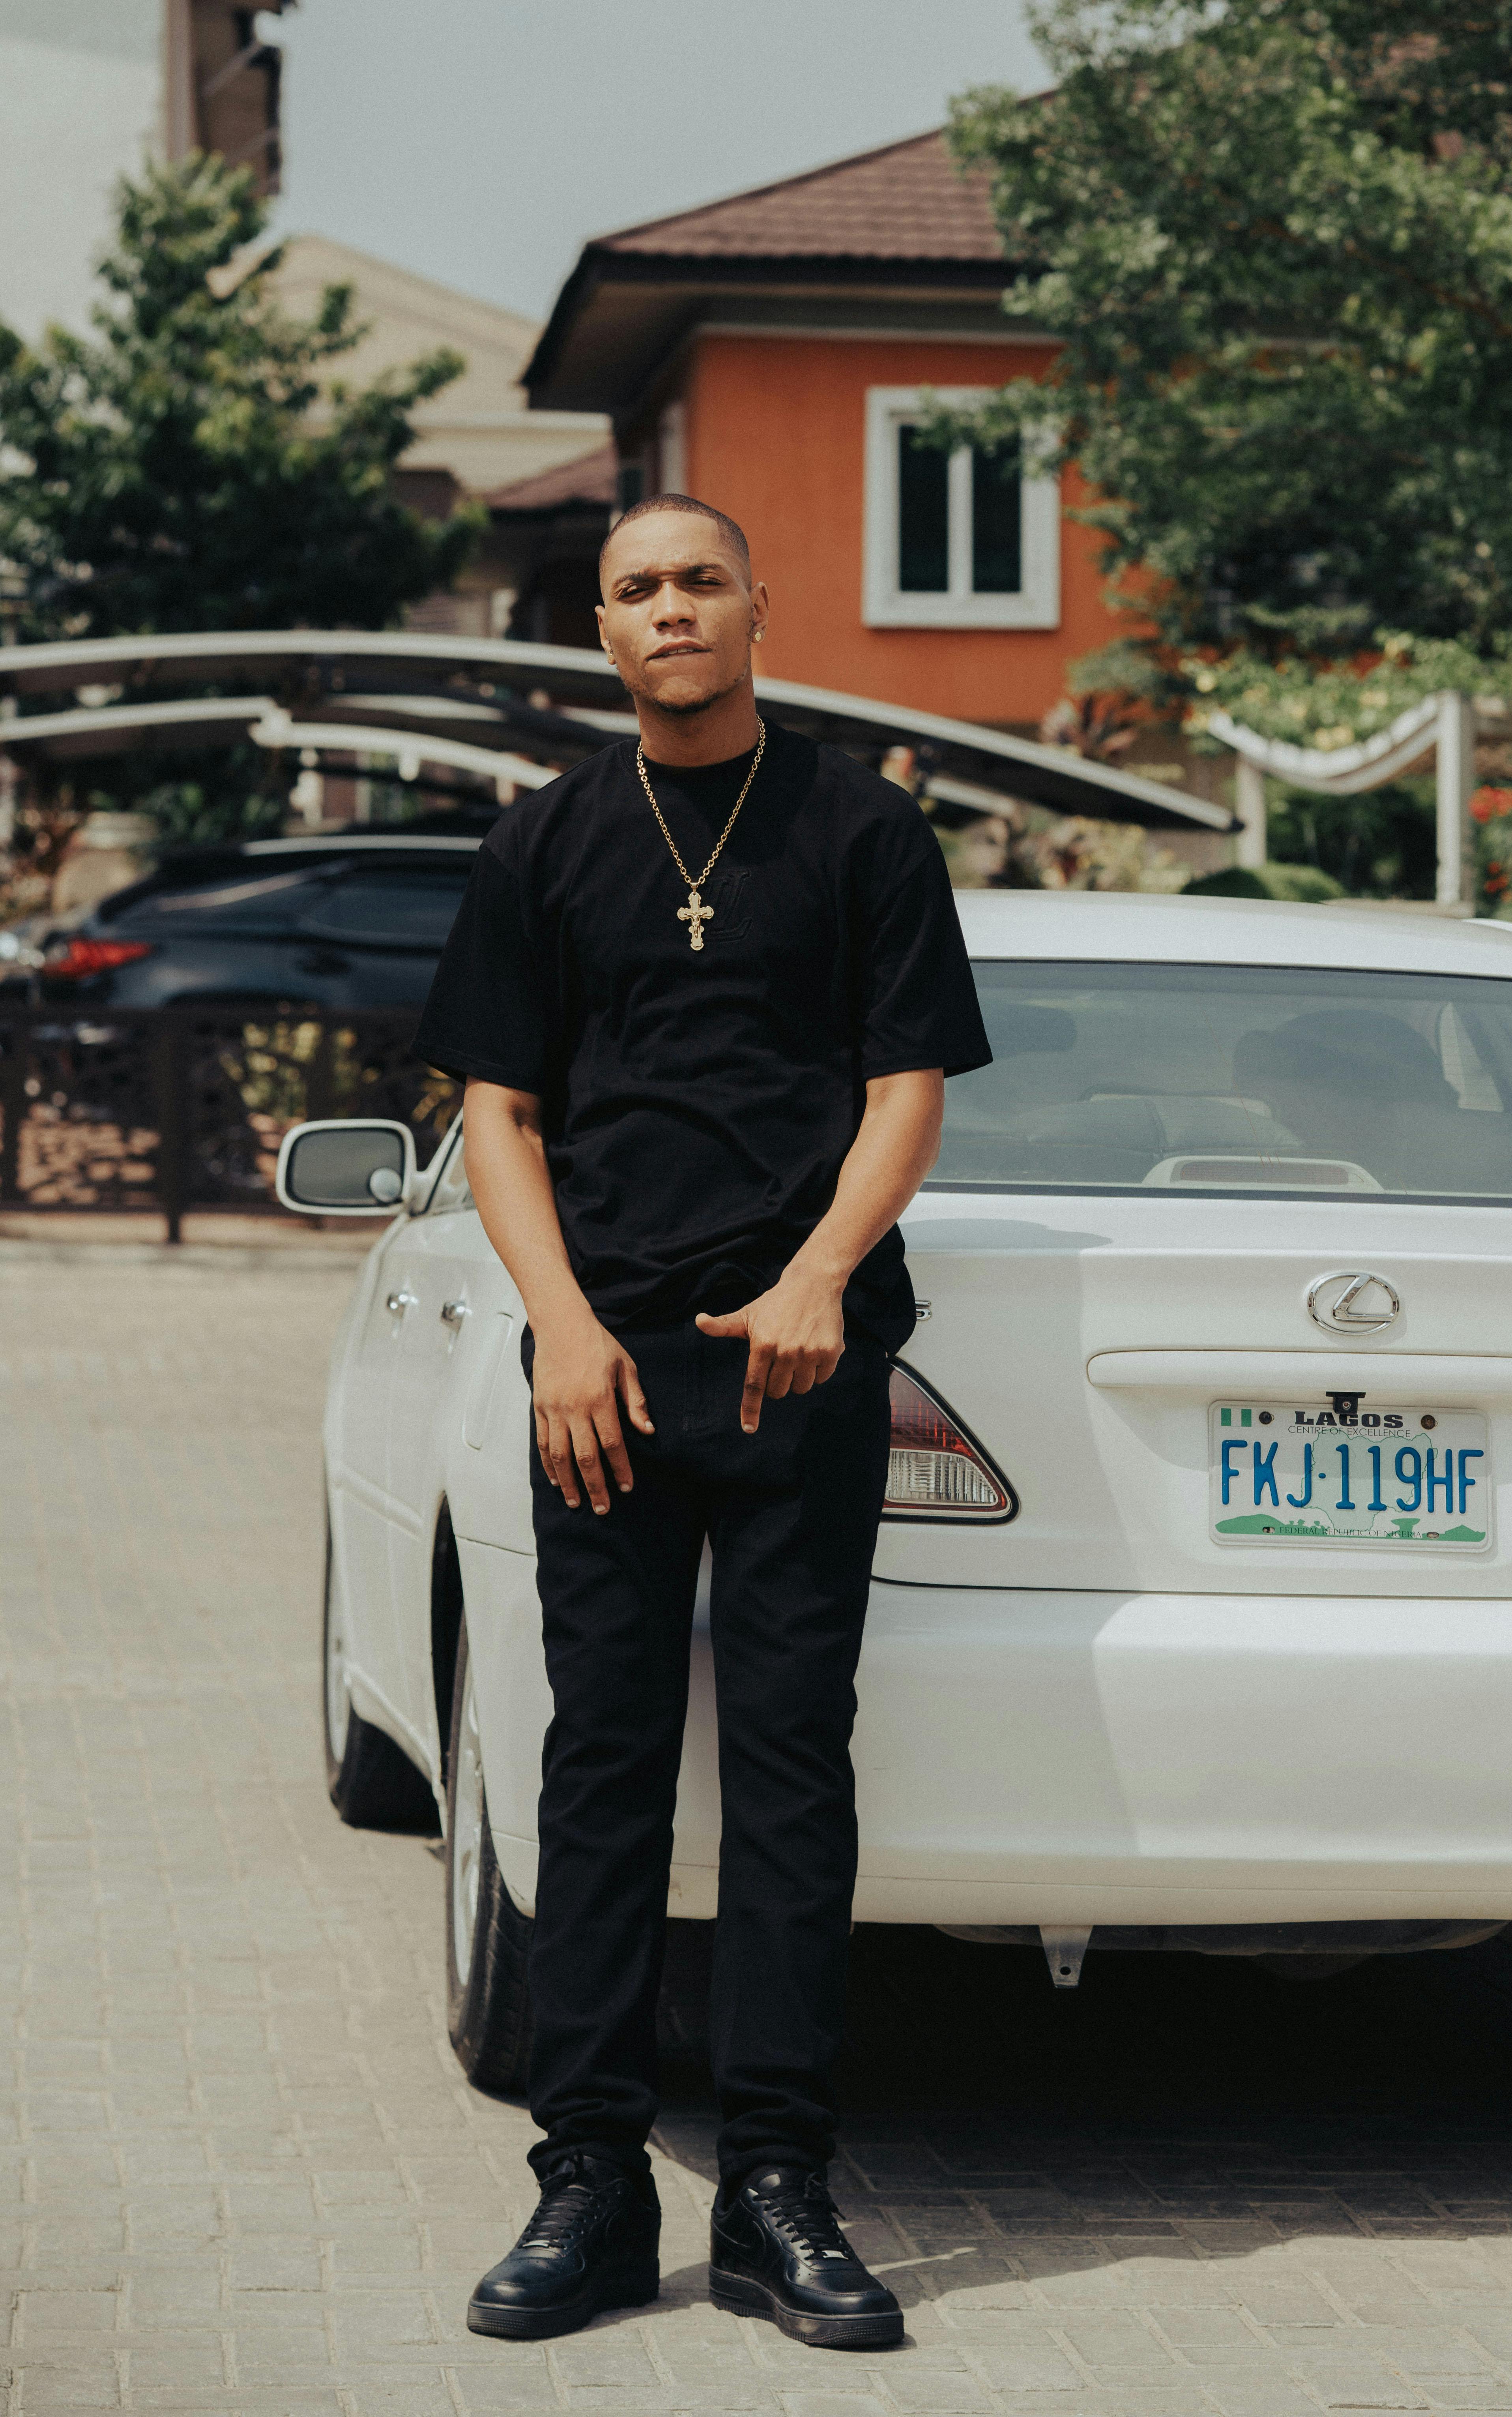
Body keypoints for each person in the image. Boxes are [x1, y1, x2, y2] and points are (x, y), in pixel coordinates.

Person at [412, 493, 990, 2349]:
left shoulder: (861, 825)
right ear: (603, 629)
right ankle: (587, 2181)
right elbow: (502, 1111)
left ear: (760, 601)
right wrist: (564, 1331)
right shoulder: (545, 840)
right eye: (640, 589)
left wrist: (824, 1271)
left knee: (791, 1771)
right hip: (608, 1367)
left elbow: (909, 1087)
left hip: (801, 1362)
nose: (673, 610)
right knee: (597, 1762)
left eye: (702, 580)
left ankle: (774, 2191)